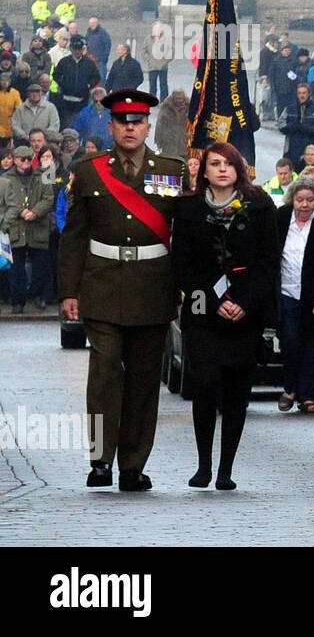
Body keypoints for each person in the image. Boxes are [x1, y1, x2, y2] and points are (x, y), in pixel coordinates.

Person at [60, 89, 185, 491]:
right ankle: (101, 460)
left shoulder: (170, 170)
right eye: (122, 122)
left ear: (148, 127)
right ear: (111, 126)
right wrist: (69, 292)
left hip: (152, 286)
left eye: (137, 122)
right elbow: (75, 235)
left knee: (144, 381)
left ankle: (133, 465)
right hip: (102, 284)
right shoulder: (91, 170)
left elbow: (184, 231)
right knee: (104, 375)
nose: (130, 128)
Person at [171, 143, 278, 491]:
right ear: (203, 170)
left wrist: (244, 301)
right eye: (214, 164)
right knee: (205, 384)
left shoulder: (260, 205)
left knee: (236, 392)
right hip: (204, 311)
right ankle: (204, 465)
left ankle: (225, 469)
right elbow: (183, 264)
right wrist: (215, 300)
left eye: (228, 164)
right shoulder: (188, 208)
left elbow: (268, 261)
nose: (221, 170)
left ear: (239, 169)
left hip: (245, 313)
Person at [276, 177, 314, 414]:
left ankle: (309, 396)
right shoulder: (281, 218)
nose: (304, 205)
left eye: (310, 200)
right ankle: (290, 388)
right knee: (290, 340)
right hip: (287, 292)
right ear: (292, 199)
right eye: (300, 200)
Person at [3, 145, 54, 312]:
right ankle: (18, 301)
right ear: (15, 160)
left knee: (40, 266)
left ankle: (40, 297)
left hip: (37, 225)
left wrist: (35, 212)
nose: (26, 162)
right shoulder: (5, 178)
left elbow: (49, 197)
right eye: (22, 159)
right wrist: (21, 211)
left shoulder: (45, 175)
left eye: (29, 159)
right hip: (16, 227)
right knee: (16, 268)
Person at [51, 35, 101, 128]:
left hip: (82, 100)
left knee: (81, 124)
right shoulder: (64, 62)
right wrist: (63, 84)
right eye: (75, 49)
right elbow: (55, 75)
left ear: (82, 50)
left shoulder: (89, 63)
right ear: (71, 49)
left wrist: (88, 85)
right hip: (65, 100)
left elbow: (96, 77)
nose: (77, 51)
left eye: (79, 49)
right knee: (65, 125)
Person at [280, 84, 314, 171]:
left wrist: (311, 130)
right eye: (299, 93)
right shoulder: (289, 109)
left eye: (304, 93)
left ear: (309, 94)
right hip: (292, 149)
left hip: (310, 149)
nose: (302, 95)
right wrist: (291, 127)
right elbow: (280, 124)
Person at [144, 23, 170, 98]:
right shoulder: (147, 39)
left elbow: (171, 51)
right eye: (155, 29)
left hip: (163, 66)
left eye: (158, 29)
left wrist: (165, 61)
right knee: (152, 84)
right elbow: (143, 50)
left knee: (163, 84)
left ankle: (164, 100)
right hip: (152, 66)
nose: (156, 31)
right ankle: (152, 99)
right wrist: (148, 59)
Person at [0, 71, 20, 148]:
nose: (5, 82)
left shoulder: (15, 93)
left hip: (9, 129)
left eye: (7, 80)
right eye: (2, 80)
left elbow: (18, 109)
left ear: (10, 82)